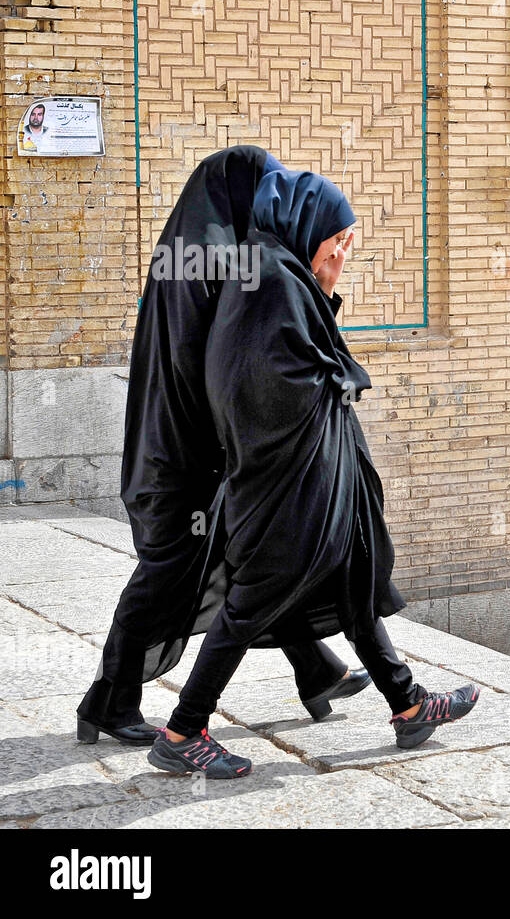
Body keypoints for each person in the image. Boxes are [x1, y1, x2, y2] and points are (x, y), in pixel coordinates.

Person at [146, 169, 479, 779]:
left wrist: (324, 297)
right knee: (248, 605)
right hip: (285, 485)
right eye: (340, 237)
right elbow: (250, 380)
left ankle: (409, 707)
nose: (344, 250)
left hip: (314, 478)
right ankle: (183, 729)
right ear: (309, 226)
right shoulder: (271, 280)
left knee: (355, 582)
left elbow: (300, 353)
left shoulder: (284, 277)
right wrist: (333, 381)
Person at [77, 147, 370, 747]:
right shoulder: (206, 268)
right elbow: (231, 363)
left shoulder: (221, 261)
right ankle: (106, 702)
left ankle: (316, 670)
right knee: (166, 573)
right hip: (180, 454)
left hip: (204, 450)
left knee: (255, 555)